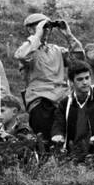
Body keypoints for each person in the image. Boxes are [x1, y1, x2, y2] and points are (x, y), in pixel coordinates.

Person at [15, 12, 84, 142]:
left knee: (67, 140)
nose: (46, 29)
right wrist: (37, 35)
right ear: (30, 29)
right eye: (42, 26)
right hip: (40, 101)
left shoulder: (56, 49)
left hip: (61, 100)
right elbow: (22, 56)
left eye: (48, 26)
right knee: (45, 142)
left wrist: (68, 35)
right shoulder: (28, 49)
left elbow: (79, 62)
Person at [51, 61, 94, 156]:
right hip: (72, 151)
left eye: (87, 78)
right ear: (71, 82)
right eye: (80, 79)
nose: (85, 82)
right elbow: (58, 122)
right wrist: (57, 134)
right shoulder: (65, 103)